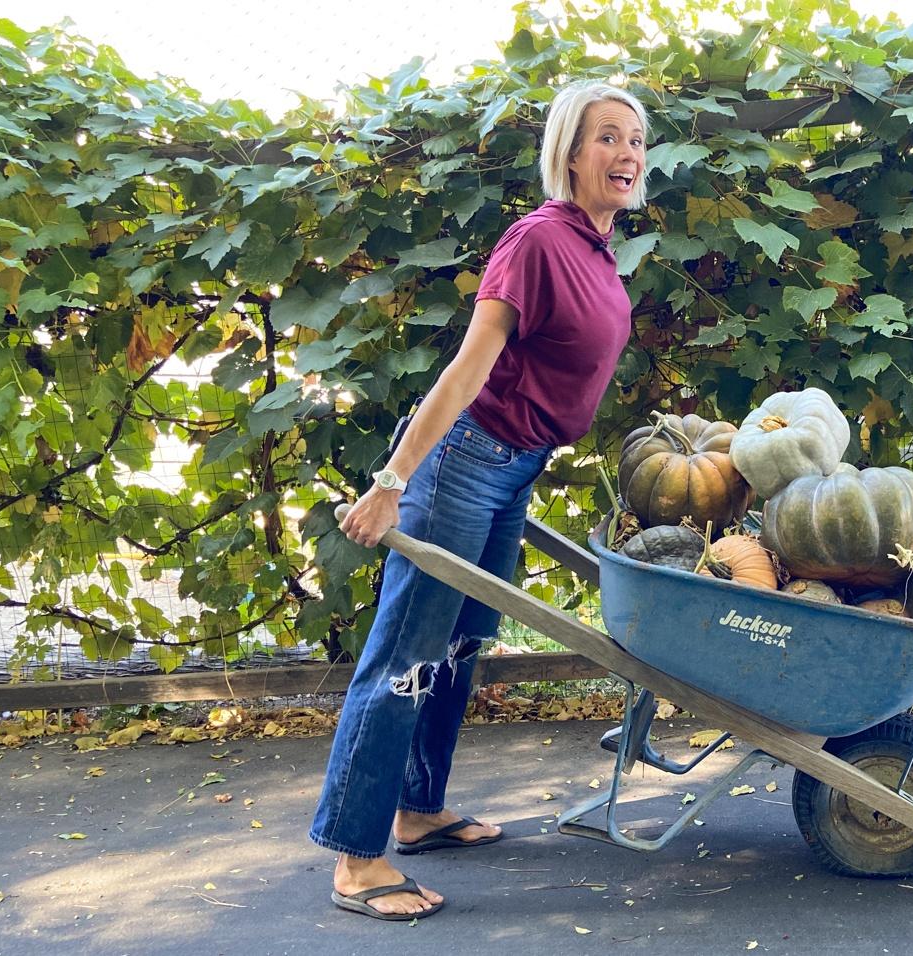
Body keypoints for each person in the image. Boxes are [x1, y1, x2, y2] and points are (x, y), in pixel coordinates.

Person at [313, 79, 649, 922]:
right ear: (569, 153)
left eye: (637, 139)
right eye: (607, 137)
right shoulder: (537, 240)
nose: (627, 153)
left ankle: (419, 810)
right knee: (403, 658)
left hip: (514, 467)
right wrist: (394, 482)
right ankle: (357, 860)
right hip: (463, 464)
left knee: (459, 648)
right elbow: (468, 368)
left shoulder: (597, 245)